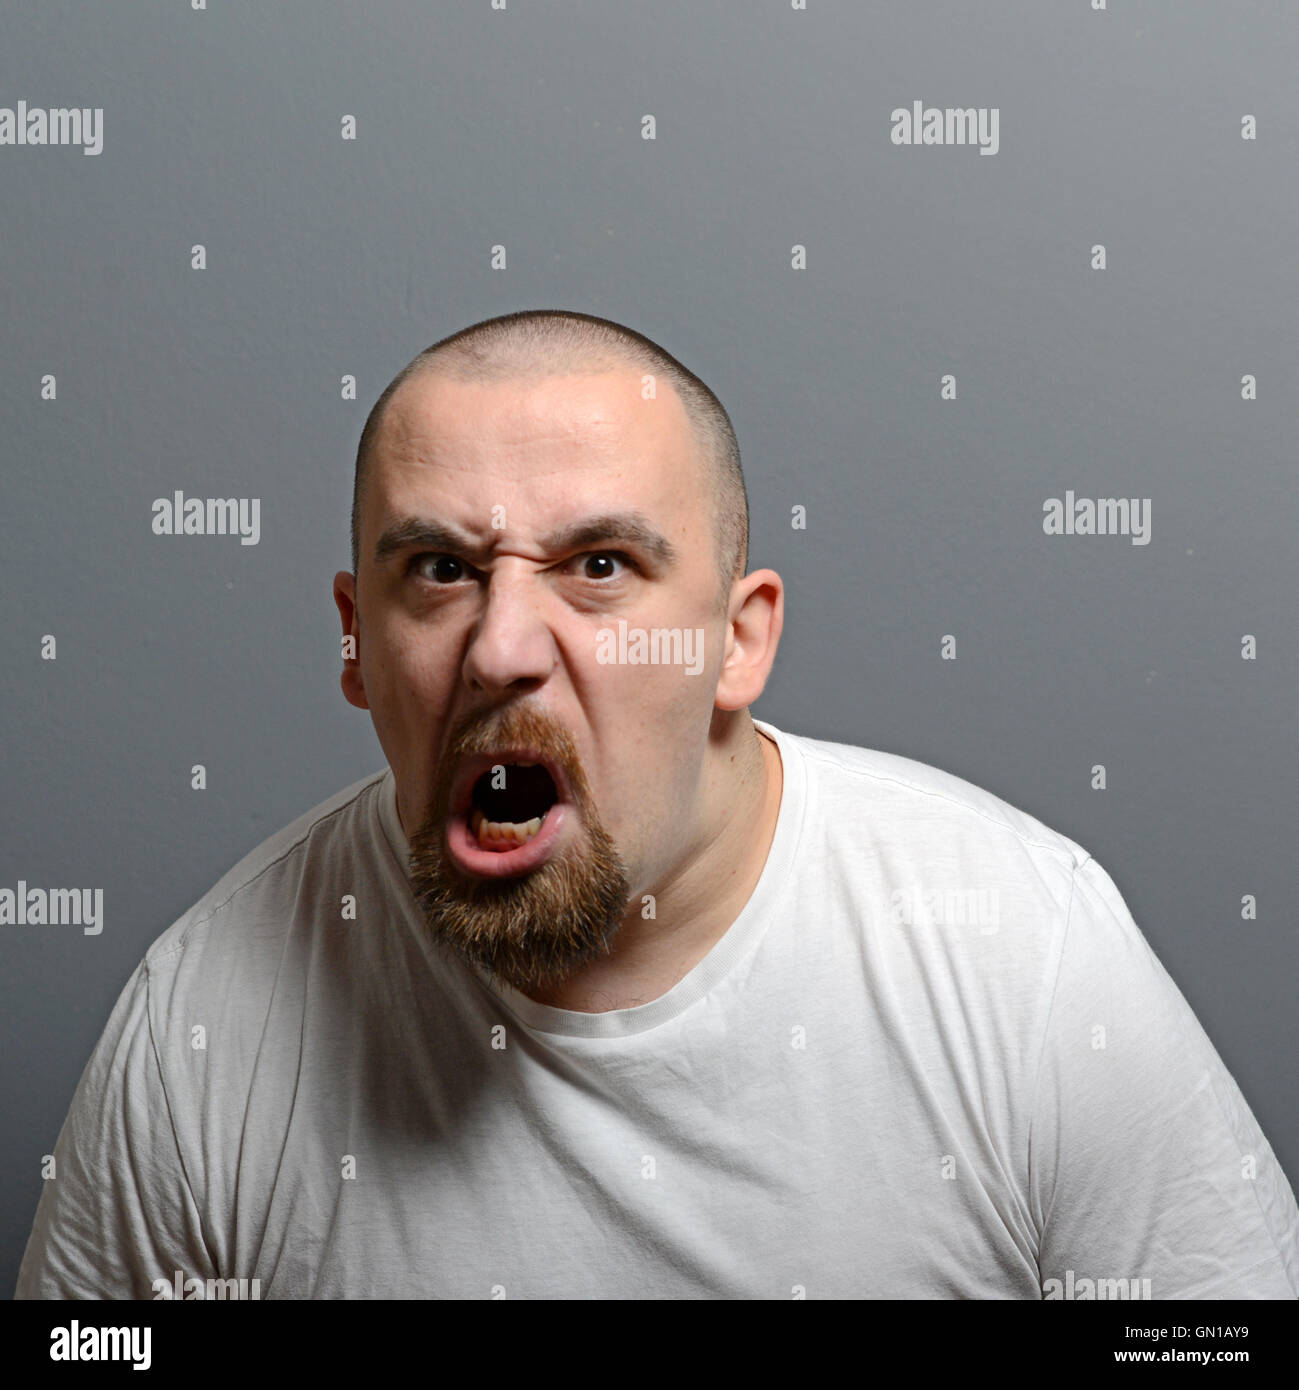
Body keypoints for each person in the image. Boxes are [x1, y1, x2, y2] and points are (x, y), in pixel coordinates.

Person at [16, 310, 1299, 1299]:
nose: (503, 645)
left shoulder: (1024, 958)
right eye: (442, 569)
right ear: (357, 642)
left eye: (600, 566)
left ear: (736, 644)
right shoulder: (202, 1021)